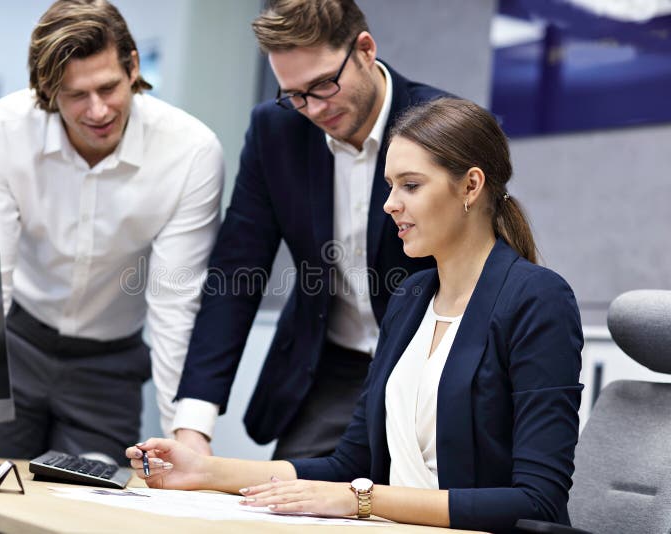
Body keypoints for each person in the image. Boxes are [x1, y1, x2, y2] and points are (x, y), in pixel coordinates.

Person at [127, 97, 584, 533]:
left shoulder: (537, 300)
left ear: (471, 185)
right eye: (390, 185)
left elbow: (536, 501)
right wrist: (204, 471)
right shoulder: (411, 298)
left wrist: (361, 499)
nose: (390, 204)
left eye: (410, 185)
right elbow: (351, 463)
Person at [0, 0, 224, 463]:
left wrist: (187, 434)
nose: (98, 110)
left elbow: (175, 303)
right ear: (47, 89)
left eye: (109, 87)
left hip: (108, 366)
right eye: (76, 95)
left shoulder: (191, 152)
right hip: (12, 347)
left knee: (91, 497)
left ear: (133, 67)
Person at [173, 0, 448, 459]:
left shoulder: (442, 123)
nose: (314, 108)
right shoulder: (276, 131)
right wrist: (194, 424)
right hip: (332, 370)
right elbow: (237, 273)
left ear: (365, 49)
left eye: (323, 84)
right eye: (295, 95)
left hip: (432, 364)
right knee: (281, 496)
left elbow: (481, 267)